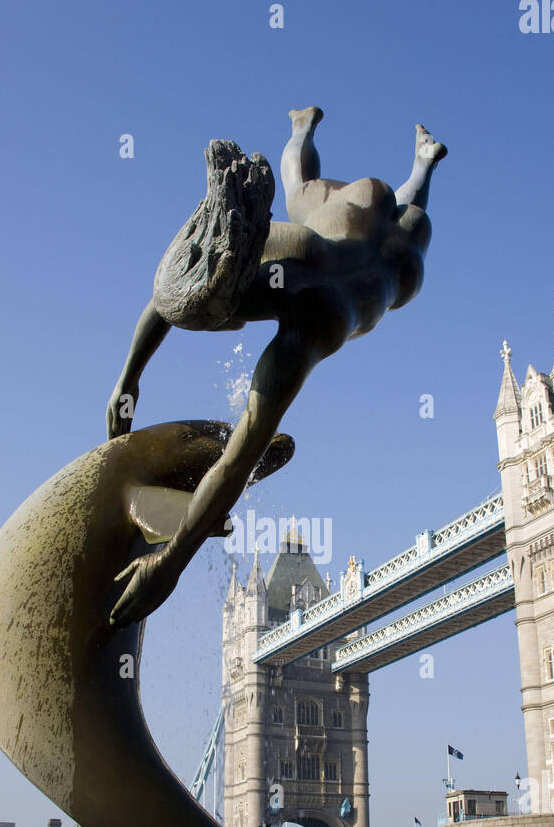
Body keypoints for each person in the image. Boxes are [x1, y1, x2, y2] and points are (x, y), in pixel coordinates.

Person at [106, 106, 447, 626]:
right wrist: (128, 378)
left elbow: (235, 463)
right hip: (372, 221)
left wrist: (170, 565)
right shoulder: (284, 242)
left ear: (235, 316)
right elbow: (175, 290)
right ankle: (399, 157)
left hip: (404, 262)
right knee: (305, 186)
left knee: (329, 193)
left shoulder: (310, 333)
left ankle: (390, 158)